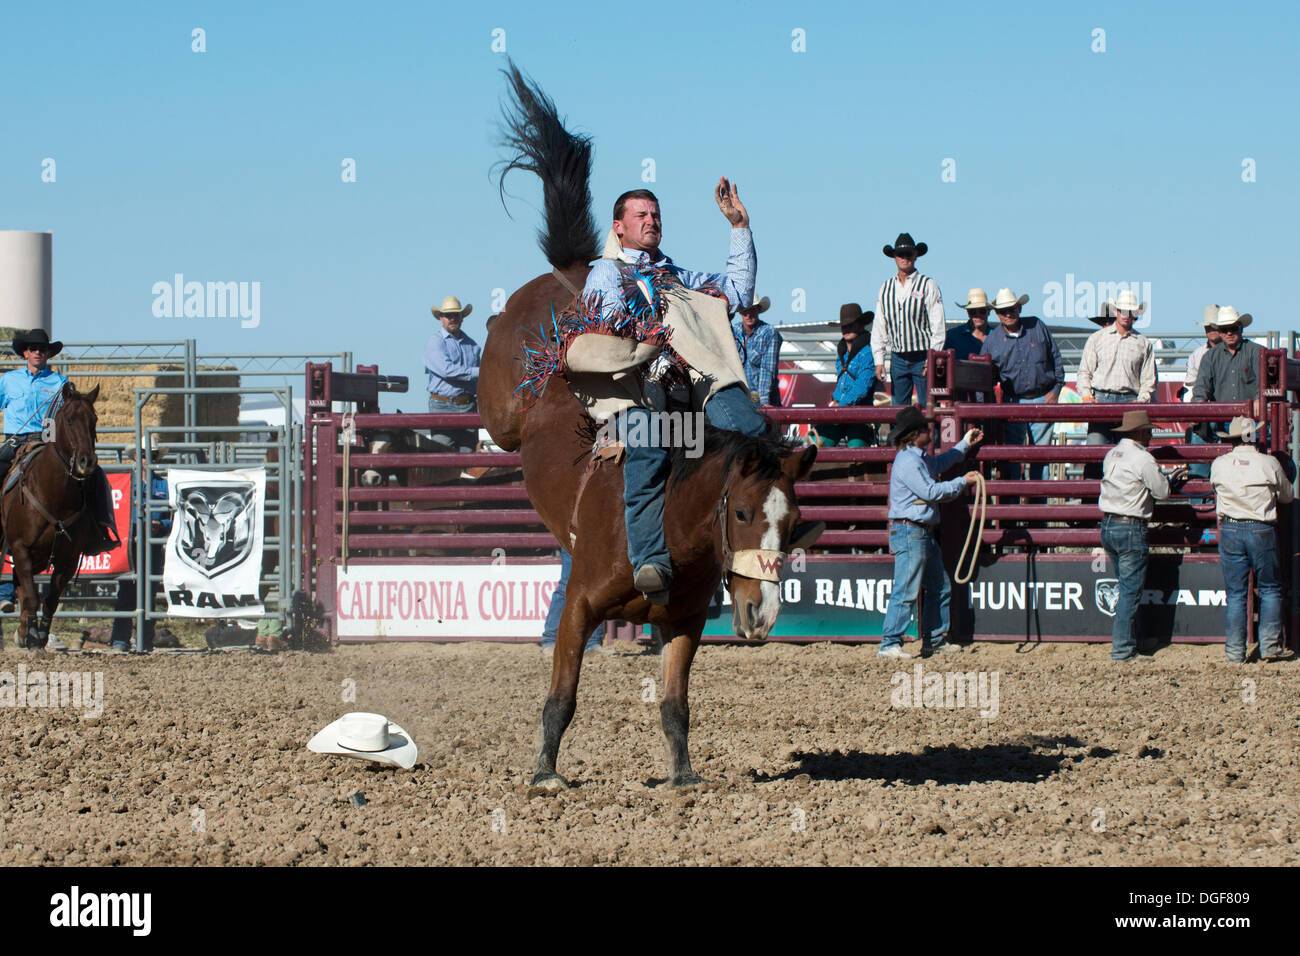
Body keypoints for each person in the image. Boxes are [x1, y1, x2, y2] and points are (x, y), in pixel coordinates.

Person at [578, 180, 772, 603]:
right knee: (647, 440)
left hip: (690, 386)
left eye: (656, 216)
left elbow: (736, 293)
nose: (651, 222)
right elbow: (602, 324)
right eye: (641, 216)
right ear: (619, 227)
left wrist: (740, 228)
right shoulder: (608, 273)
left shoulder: (677, 276)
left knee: (748, 424)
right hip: (634, 392)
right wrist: (651, 339)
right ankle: (649, 560)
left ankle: (772, 526)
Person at [878, 406, 983, 659]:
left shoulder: (916, 458)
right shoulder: (910, 461)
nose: (929, 432)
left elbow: (939, 463)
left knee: (937, 586)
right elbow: (931, 492)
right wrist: (962, 482)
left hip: (917, 531)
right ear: (915, 435)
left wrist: (963, 445)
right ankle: (890, 643)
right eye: (925, 429)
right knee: (908, 589)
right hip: (912, 531)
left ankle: (933, 639)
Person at [1098, 410, 1187, 662]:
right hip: (1130, 527)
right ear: (1139, 432)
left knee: (1127, 587)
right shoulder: (1143, 459)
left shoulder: (1111, 454)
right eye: (1148, 430)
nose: (1150, 434)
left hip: (1109, 524)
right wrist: (1170, 479)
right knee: (1130, 591)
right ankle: (1123, 649)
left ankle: (1132, 639)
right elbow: (1162, 492)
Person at [1209, 417, 1295, 663]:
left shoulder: (1220, 464)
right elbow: (1287, 496)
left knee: (1236, 593)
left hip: (1231, 529)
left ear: (1232, 440)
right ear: (1254, 438)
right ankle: (1269, 645)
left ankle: (1235, 652)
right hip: (1261, 528)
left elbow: (1215, 488)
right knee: (1270, 588)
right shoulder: (1268, 463)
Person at [978, 289, 1064, 483]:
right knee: (1013, 456)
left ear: (1019, 308)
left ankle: (1037, 507)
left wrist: (1055, 390)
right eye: (1003, 310)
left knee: (1040, 456)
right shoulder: (992, 341)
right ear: (998, 314)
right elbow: (984, 378)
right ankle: (1015, 506)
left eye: (1012, 309)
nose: (1008, 313)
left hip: (1042, 396)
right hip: (1013, 400)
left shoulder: (1037, 326)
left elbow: (1056, 357)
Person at [1077, 290, 1156, 478]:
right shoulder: (1097, 338)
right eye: (1123, 311)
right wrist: (1087, 396)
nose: (1126, 315)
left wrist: (1142, 399)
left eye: (1130, 312)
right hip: (1101, 397)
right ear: (1117, 312)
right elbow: (1084, 372)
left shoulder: (1144, 343)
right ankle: (1090, 502)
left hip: (1130, 400)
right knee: (1096, 454)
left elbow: (1148, 379)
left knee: (1128, 458)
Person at [872, 233, 945, 407]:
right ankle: (899, 436)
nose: (904, 258)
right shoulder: (886, 287)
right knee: (898, 411)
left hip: (922, 357)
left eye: (908, 254)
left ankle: (931, 435)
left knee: (928, 409)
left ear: (915, 256)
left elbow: (938, 325)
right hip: (897, 357)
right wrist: (879, 360)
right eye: (900, 254)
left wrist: (932, 356)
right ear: (894, 258)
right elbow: (879, 326)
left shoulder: (928, 285)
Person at [423, 296, 481, 453]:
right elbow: (447, 370)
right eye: (449, 315)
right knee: (442, 453)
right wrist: (479, 372)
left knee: (467, 454)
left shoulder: (473, 345)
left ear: (462, 317)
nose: (452, 318)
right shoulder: (435, 342)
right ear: (441, 318)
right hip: (443, 405)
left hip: (467, 404)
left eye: (456, 315)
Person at [817, 304, 877, 448]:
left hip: (860, 413)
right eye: (844, 326)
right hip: (840, 410)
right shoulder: (842, 354)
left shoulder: (868, 353)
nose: (847, 329)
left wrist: (839, 405)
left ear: (861, 325)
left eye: (851, 325)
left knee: (856, 450)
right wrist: (836, 404)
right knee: (816, 444)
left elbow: (862, 387)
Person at [1182, 304, 1222, 479]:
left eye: (1214, 325)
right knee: (1198, 469)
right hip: (1203, 417)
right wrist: (1192, 413)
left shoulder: (1199, 354)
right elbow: (1190, 386)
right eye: (1208, 326)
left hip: (1222, 415)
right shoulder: (1197, 355)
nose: (1211, 329)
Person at [540, 550, 605, 658]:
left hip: (593, 539)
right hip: (576, 536)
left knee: (592, 585)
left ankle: (591, 643)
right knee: (569, 583)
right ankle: (552, 639)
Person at [1192, 306, 1261, 406]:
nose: (1229, 333)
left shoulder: (1256, 352)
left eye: (1233, 328)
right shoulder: (1210, 356)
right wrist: (1198, 406)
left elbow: (1263, 383)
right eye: (1224, 329)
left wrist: (1259, 400)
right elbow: (1201, 388)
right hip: (1221, 417)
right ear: (1219, 332)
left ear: (1241, 328)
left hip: (1250, 417)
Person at [731, 295, 782, 406]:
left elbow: (768, 368)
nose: (748, 315)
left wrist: (764, 400)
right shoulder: (733, 331)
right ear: (740, 312)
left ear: (758, 310)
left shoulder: (769, 333)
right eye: (745, 311)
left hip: (762, 398)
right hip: (740, 398)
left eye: (752, 310)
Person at [945, 288, 991, 361]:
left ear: (988, 311)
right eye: (973, 312)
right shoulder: (951, 336)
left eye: (982, 311)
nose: (977, 315)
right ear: (968, 313)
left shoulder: (999, 336)